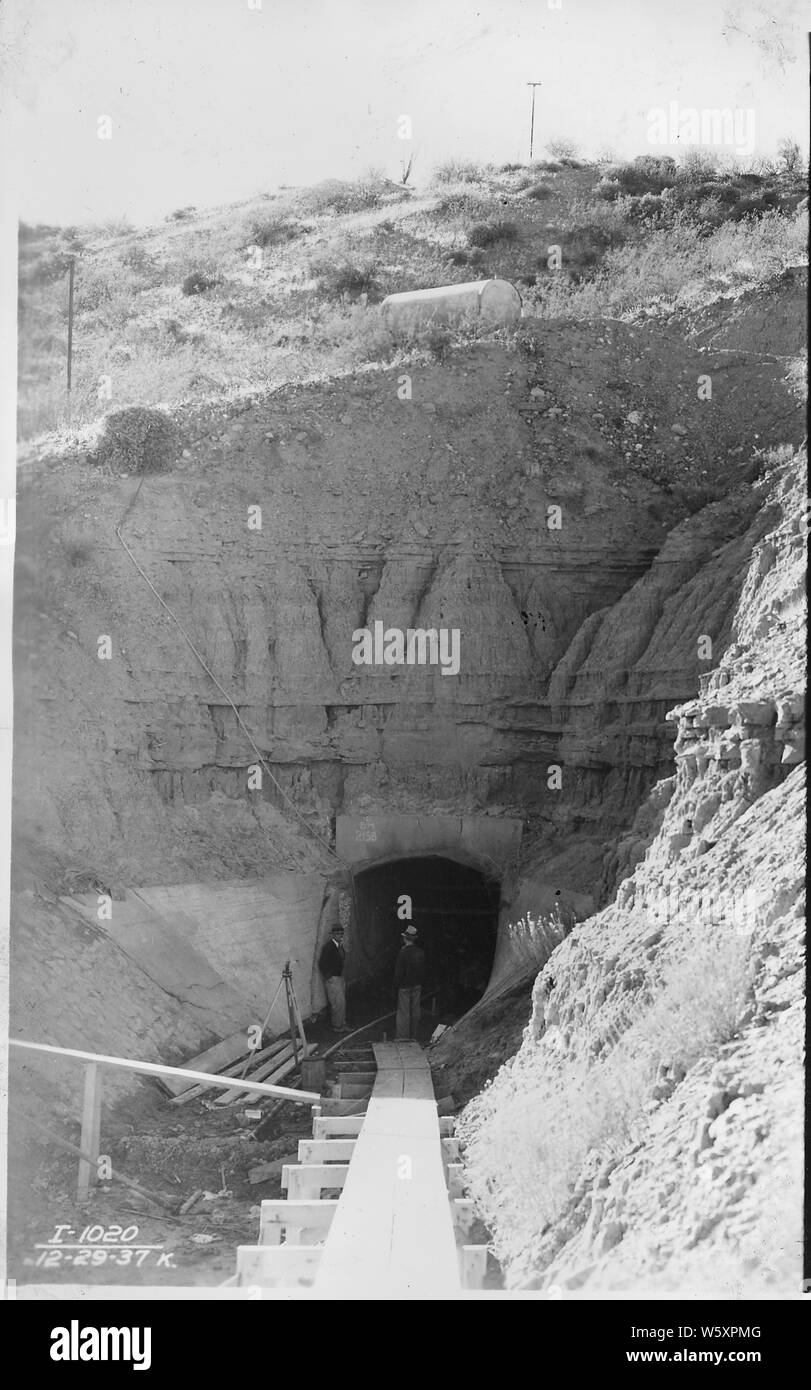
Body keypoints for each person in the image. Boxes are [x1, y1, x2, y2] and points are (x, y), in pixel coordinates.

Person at [394, 924, 426, 1041]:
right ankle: (414, 1036)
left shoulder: (402, 953)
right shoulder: (420, 952)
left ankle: (403, 1037)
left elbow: (399, 972)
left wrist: (396, 984)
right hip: (417, 985)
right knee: (415, 1011)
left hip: (404, 987)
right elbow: (423, 970)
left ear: (405, 938)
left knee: (404, 1013)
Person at [318, 924, 349, 1032]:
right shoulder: (328, 947)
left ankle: (342, 1024)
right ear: (333, 935)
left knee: (341, 1002)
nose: (341, 936)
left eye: (342, 934)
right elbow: (322, 964)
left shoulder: (339, 946)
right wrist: (329, 977)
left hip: (339, 978)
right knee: (337, 1003)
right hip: (333, 979)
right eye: (339, 934)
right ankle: (337, 1026)